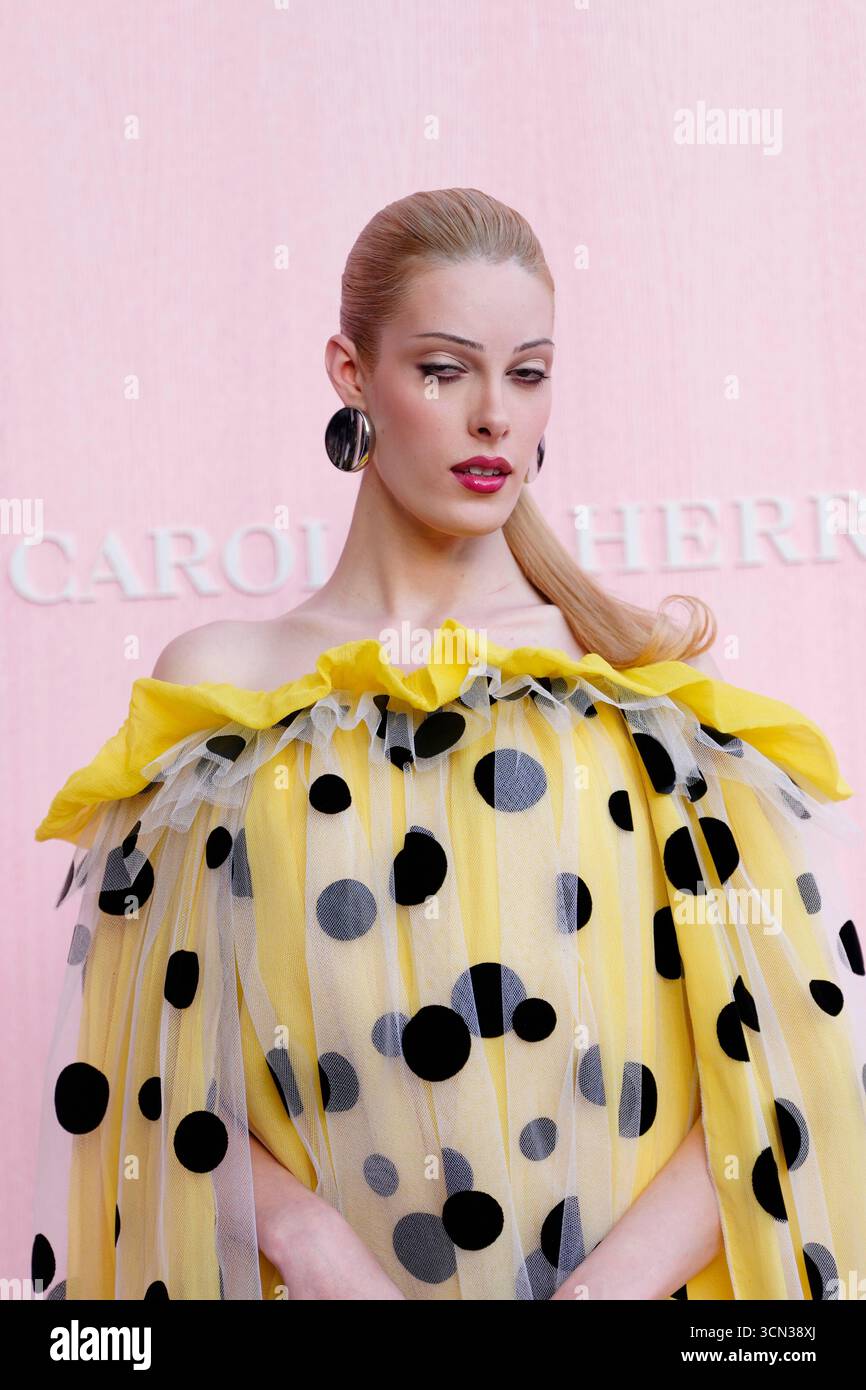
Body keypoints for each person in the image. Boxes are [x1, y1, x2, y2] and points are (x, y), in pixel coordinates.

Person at [32, 188, 866, 1301]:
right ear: (350, 374)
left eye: (526, 373)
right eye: (442, 369)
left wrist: (600, 1295)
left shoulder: (636, 690)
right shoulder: (220, 693)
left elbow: (779, 1055)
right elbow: (145, 1064)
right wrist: (316, 1249)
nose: (492, 417)